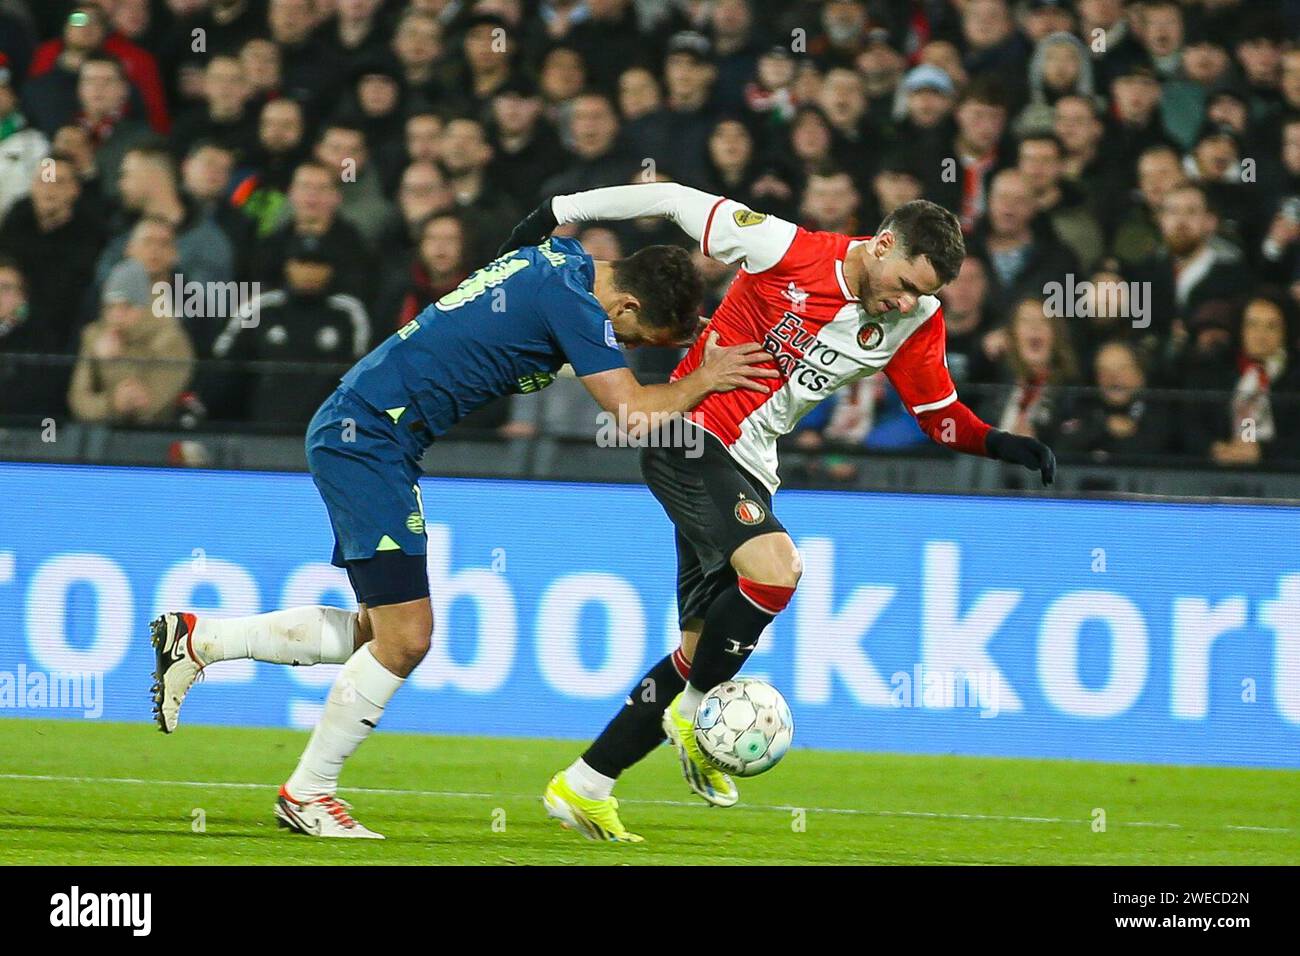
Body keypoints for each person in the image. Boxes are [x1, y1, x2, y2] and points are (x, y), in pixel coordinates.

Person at [149, 235, 778, 838]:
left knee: (378, 632)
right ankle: (310, 794)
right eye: (632, 334)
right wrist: (705, 378)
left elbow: (532, 227)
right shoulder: (577, 304)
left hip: (374, 435)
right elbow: (635, 413)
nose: (623, 344)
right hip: (369, 438)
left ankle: (201, 639)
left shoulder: (557, 258)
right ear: (626, 304)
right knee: (407, 640)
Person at [497, 182, 1057, 841]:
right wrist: (562, 210)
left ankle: (585, 786)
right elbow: (675, 197)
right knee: (777, 570)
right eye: (904, 282)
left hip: (752, 467)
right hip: (692, 437)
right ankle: (700, 715)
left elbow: (937, 418)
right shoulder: (784, 248)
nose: (906, 301)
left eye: (920, 293)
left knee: (696, 650)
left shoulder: (917, 317)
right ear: (879, 246)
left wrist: (1001, 443)